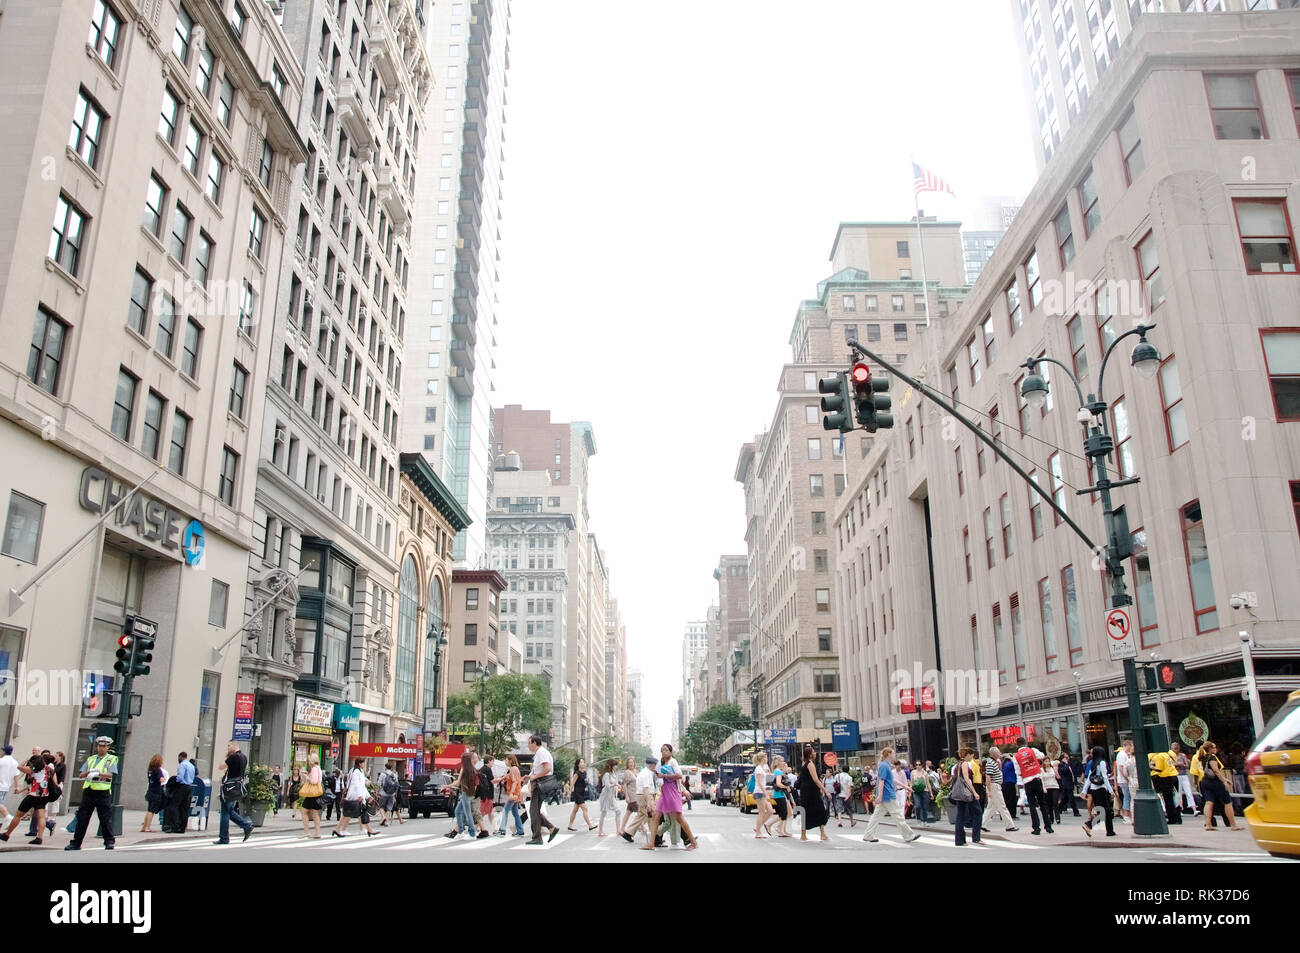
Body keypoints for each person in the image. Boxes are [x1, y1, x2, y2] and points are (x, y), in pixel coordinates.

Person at [64, 735, 117, 851]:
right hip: (89, 791)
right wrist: (89, 772)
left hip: (103, 792)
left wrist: (98, 773)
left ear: (108, 747)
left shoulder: (111, 759)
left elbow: (111, 774)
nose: (101, 748)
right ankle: (76, 843)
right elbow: (81, 774)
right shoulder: (91, 759)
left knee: (105, 818)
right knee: (82, 818)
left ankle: (109, 841)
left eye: (104, 746)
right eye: (99, 746)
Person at [641, 743, 698, 851]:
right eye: (662, 750)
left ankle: (693, 843)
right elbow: (659, 776)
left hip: (672, 791)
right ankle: (651, 844)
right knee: (656, 817)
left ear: (671, 752)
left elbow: (679, 775)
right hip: (664, 792)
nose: (664, 752)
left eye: (666, 750)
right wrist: (657, 773)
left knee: (679, 818)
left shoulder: (673, 761)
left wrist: (665, 776)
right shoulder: (662, 762)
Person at [862, 747, 919, 845]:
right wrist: (879, 795)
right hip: (887, 794)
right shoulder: (884, 766)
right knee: (897, 815)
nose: (895, 755)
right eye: (893, 753)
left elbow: (891, 780)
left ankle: (868, 835)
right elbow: (881, 781)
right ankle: (909, 835)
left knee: (876, 816)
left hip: (885, 795)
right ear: (888, 754)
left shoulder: (885, 765)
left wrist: (906, 787)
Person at [523, 735, 560, 844]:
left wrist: (535, 777)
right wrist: (530, 777)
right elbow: (538, 769)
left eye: (529, 743)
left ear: (534, 743)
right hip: (539, 782)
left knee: (533, 810)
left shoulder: (541, 753)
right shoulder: (540, 753)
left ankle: (537, 837)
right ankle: (550, 828)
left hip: (540, 783)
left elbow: (547, 768)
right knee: (534, 810)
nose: (528, 746)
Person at [214, 740, 253, 845]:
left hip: (230, 787)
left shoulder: (233, 757)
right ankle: (245, 825)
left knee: (225, 812)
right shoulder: (244, 757)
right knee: (229, 811)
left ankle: (225, 837)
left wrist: (226, 757)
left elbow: (221, 766)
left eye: (229, 745)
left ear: (235, 746)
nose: (228, 747)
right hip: (237, 787)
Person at [1013, 737, 1054, 835]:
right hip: (1037, 779)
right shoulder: (1032, 750)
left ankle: (1036, 828)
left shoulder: (1016, 756)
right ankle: (1048, 827)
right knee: (1042, 804)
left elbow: (1018, 772)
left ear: (1017, 745)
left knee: (1032, 806)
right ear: (1025, 743)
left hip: (1027, 781)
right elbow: (1042, 755)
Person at [1198, 742, 1241, 831]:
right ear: (1210, 749)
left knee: (1209, 802)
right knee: (1227, 802)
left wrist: (1225, 779)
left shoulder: (1204, 758)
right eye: (1214, 747)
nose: (1216, 749)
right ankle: (1233, 825)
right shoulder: (1212, 758)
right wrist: (1224, 781)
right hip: (1215, 782)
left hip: (1205, 781)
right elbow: (1216, 771)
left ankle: (1208, 824)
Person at [334, 757, 378, 838]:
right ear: (360, 763)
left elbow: (360, 785)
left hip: (355, 795)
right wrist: (360, 795)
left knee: (349, 814)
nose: (364, 764)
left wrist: (367, 796)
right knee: (357, 813)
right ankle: (368, 830)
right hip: (355, 796)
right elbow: (357, 785)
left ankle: (339, 829)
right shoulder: (356, 772)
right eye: (364, 763)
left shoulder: (356, 771)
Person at [1081, 744, 1116, 837]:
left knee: (1102, 811)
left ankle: (1108, 830)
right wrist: (1111, 790)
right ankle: (1092, 825)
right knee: (1106, 811)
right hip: (1101, 789)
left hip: (1093, 789)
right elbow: (1105, 778)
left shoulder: (1092, 763)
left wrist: (1084, 790)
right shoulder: (1102, 763)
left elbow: (1089, 778)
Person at [951, 748, 983, 846]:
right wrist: (974, 792)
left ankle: (960, 840)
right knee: (978, 812)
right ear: (968, 755)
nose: (972, 757)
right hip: (967, 792)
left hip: (959, 793)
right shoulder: (964, 764)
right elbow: (966, 779)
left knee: (960, 815)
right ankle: (976, 837)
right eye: (972, 755)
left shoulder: (957, 765)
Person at [622, 757, 658, 845]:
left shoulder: (645, 772)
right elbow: (645, 789)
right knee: (652, 816)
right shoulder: (646, 774)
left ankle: (628, 833)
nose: (656, 767)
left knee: (641, 816)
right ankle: (655, 838)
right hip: (645, 796)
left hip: (641, 796)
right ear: (651, 765)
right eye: (655, 765)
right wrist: (649, 802)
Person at [981, 746, 1018, 831]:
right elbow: (988, 777)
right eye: (998, 752)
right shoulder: (991, 763)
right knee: (1002, 806)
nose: (1000, 754)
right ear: (993, 754)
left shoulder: (993, 762)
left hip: (995, 785)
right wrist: (989, 790)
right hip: (994, 786)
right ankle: (1009, 825)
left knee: (991, 807)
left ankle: (983, 824)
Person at [1148, 746, 1182, 825]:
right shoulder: (1170, 753)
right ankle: (1178, 817)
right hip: (1174, 776)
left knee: (1167, 799)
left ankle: (1172, 818)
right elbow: (1174, 763)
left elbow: (1158, 768)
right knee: (1175, 798)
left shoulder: (1155, 756)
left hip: (1163, 777)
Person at [164, 751, 195, 833]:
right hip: (189, 786)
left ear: (181, 757)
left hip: (182, 786)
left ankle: (176, 825)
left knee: (173, 806)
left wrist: (175, 781)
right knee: (184, 808)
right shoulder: (191, 765)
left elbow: (180, 778)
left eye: (178, 758)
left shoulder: (182, 765)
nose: (178, 759)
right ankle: (182, 827)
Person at [497, 754, 526, 836]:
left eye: (506, 760)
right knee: (515, 813)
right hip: (517, 794)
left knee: (505, 811)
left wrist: (511, 793)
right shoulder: (515, 769)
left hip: (514, 793)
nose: (505, 762)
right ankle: (520, 831)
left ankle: (502, 830)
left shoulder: (513, 769)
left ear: (510, 761)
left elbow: (515, 782)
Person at [567, 757, 596, 830]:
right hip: (577, 793)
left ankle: (570, 825)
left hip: (582, 792)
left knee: (575, 810)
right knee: (585, 808)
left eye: (583, 762)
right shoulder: (577, 773)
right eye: (581, 762)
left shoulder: (584, 772)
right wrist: (569, 792)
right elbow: (572, 783)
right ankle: (590, 826)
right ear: (578, 765)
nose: (583, 763)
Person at [767, 755, 793, 837]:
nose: (783, 763)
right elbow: (778, 783)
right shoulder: (778, 771)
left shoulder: (777, 771)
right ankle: (770, 825)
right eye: (782, 761)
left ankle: (780, 830)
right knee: (784, 813)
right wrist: (786, 787)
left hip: (780, 794)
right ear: (778, 762)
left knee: (784, 813)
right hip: (779, 794)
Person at [299, 754, 324, 838]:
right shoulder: (318, 768)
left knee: (304, 811)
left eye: (309, 760)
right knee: (315, 813)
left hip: (311, 793)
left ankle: (306, 831)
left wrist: (306, 776)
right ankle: (317, 832)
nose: (308, 762)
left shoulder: (314, 769)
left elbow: (313, 781)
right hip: (316, 793)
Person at [750, 750, 771, 839]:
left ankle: (758, 828)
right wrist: (765, 793)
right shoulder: (758, 768)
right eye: (766, 757)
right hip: (759, 792)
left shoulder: (762, 768)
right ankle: (758, 832)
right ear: (762, 758)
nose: (767, 759)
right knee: (761, 813)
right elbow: (759, 782)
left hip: (761, 792)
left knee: (770, 811)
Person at [142, 754, 165, 833]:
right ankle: (147, 827)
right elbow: (161, 779)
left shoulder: (150, 769)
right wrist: (164, 778)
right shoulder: (158, 770)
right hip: (156, 791)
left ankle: (144, 826)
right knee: (152, 811)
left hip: (150, 790)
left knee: (149, 809)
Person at [596, 758, 620, 836]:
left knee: (618, 811)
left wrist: (616, 788)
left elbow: (615, 784)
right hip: (605, 795)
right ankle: (600, 831)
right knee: (603, 812)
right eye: (615, 765)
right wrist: (615, 784)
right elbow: (607, 785)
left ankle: (618, 830)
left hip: (611, 796)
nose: (616, 766)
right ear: (611, 766)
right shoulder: (607, 774)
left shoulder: (614, 774)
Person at [1171, 742, 1196, 815]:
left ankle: (1194, 808)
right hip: (1176, 775)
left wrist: (1181, 765)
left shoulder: (1182, 755)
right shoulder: (1171, 756)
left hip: (1184, 775)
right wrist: (1178, 764)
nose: (1176, 750)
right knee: (1178, 793)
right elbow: (1170, 765)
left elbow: (1187, 765)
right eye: (1174, 749)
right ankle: (1180, 809)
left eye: (1177, 748)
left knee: (1188, 791)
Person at [1114, 739, 1136, 824]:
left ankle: (1128, 815)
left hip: (1124, 779)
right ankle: (1126, 816)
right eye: (1131, 746)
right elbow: (1121, 768)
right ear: (1127, 745)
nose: (1132, 748)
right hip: (1124, 780)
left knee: (1128, 797)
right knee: (1127, 797)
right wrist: (1127, 778)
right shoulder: (1122, 755)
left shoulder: (1123, 754)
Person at [618, 757, 637, 837]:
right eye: (629, 762)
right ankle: (642, 829)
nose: (631, 764)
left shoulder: (636, 771)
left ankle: (621, 829)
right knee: (640, 813)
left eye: (632, 762)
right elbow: (624, 784)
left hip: (637, 794)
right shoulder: (627, 772)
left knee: (628, 812)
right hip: (631, 795)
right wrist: (627, 796)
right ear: (627, 764)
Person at [378, 760, 401, 826]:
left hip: (383, 793)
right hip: (391, 794)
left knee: (381, 807)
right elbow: (397, 785)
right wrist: (394, 794)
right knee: (389, 808)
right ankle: (387, 822)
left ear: (385, 767)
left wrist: (377, 792)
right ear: (391, 768)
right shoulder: (394, 775)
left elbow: (379, 784)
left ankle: (383, 817)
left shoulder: (383, 774)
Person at [1056, 751, 1078, 820]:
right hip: (1066, 783)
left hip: (1070, 782)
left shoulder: (1069, 764)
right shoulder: (1061, 765)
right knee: (1071, 798)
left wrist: (1075, 781)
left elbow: (1073, 773)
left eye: (1068, 757)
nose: (1067, 759)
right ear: (1062, 759)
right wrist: (1066, 764)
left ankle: (1059, 809)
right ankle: (1075, 811)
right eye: (1066, 758)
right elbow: (1063, 772)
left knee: (1065, 799)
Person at [0, 744, 18, 820]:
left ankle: (8, 817)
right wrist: (16, 787)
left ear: (4, 752)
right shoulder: (15, 762)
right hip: (6, 787)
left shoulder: (1, 761)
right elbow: (16, 776)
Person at [1001, 754, 1018, 819]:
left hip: (1004, 783)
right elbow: (1016, 764)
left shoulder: (1002, 764)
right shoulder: (1011, 763)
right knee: (1012, 799)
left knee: (1005, 800)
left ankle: (1004, 815)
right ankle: (1012, 814)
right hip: (1010, 782)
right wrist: (1011, 758)